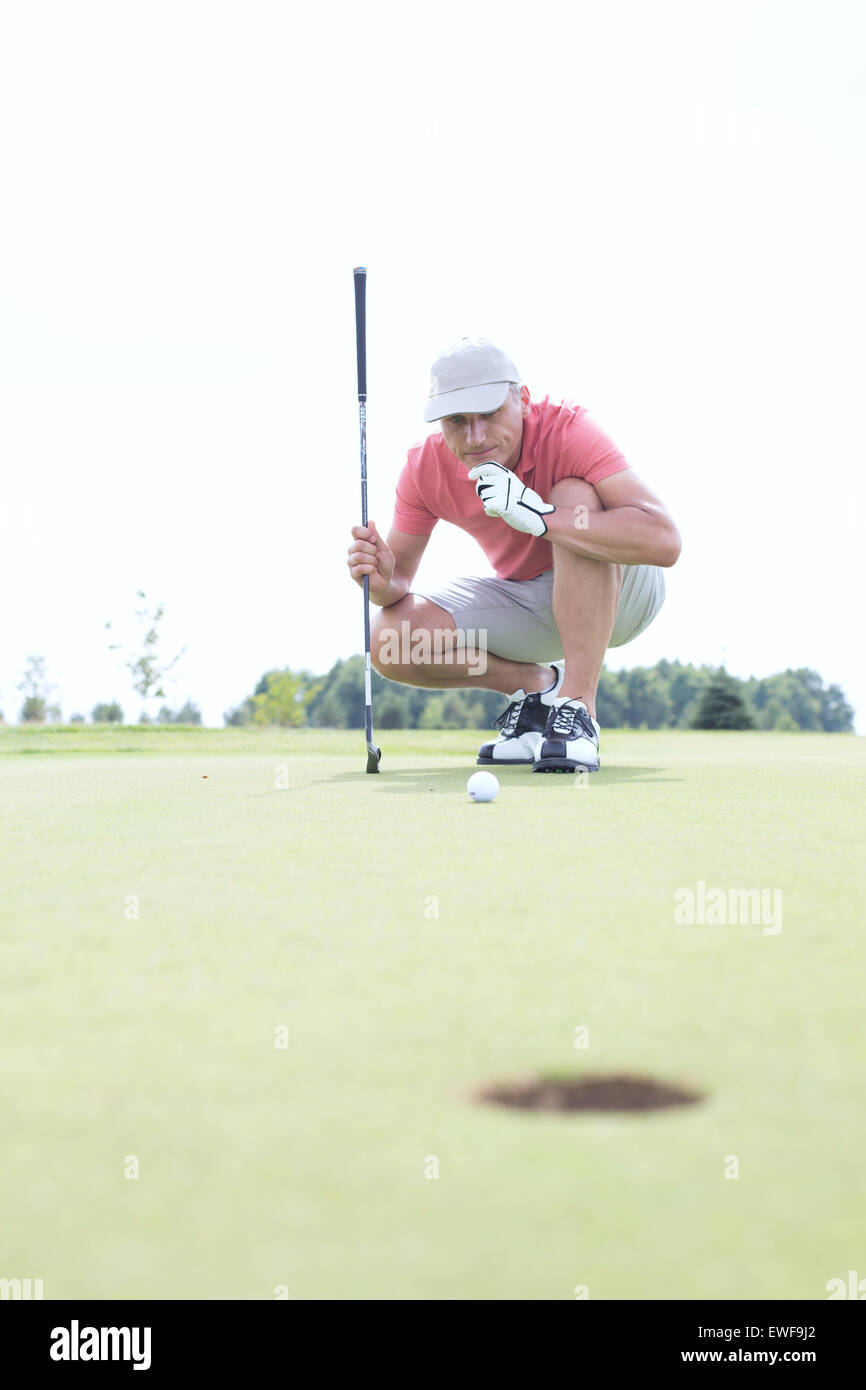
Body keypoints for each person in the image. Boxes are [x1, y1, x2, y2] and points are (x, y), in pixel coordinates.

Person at [346, 337, 681, 772]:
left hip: (626, 596)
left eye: (489, 414)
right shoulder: (424, 467)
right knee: (388, 643)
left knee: (573, 494)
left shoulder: (568, 431)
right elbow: (396, 589)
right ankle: (536, 691)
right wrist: (384, 576)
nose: (475, 436)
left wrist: (544, 518)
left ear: (522, 400)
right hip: (533, 603)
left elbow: (665, 540)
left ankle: (578, 709)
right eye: (457, 420)